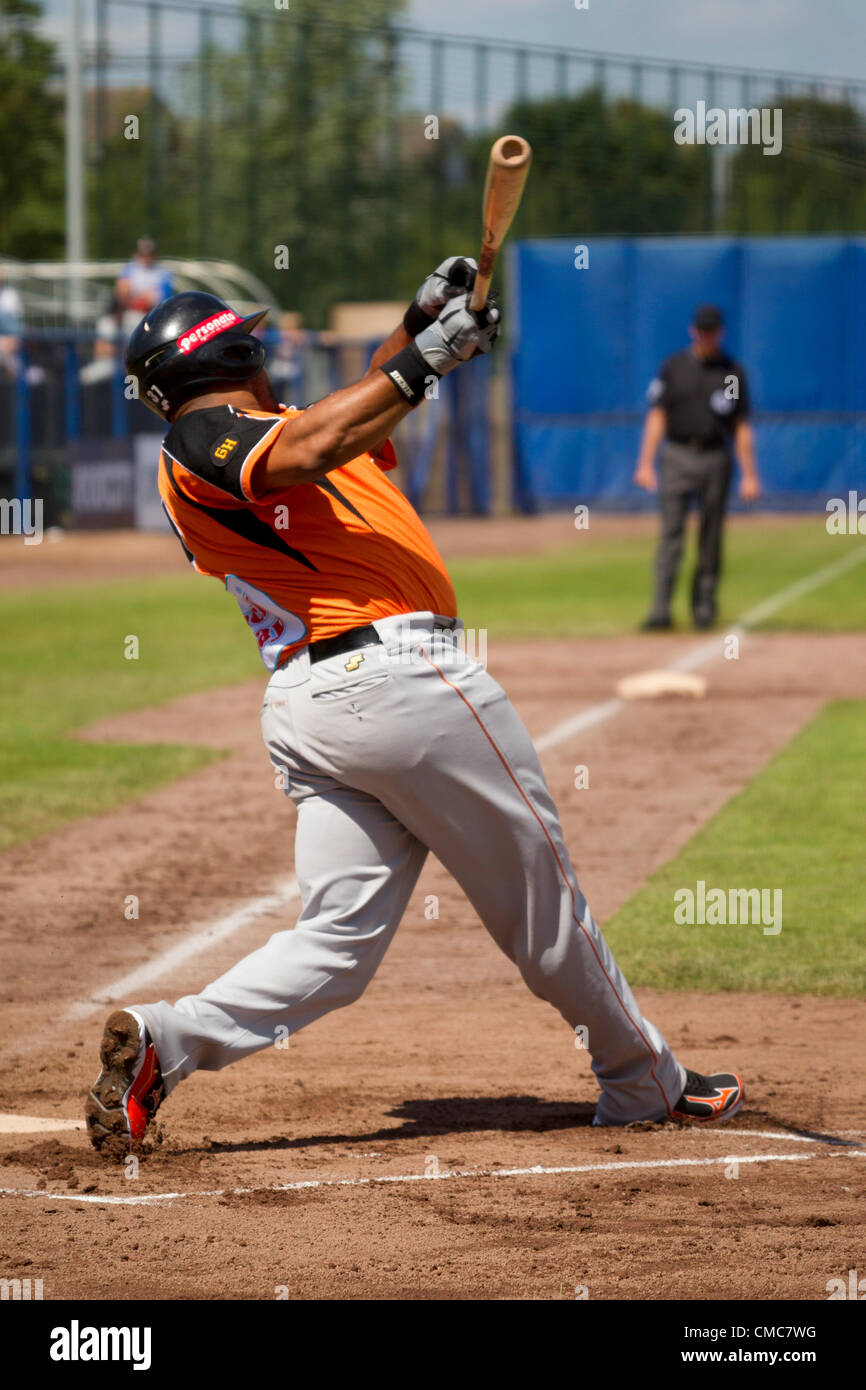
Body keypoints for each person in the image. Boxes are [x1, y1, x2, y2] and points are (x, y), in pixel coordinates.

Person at [85, 264, 745, 1157]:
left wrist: (422, 323)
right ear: (227, 353)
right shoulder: (203, 438)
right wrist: (428, 359)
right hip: (399, 684)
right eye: (253, 338)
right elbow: (315, 443)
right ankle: (644, 1082)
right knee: (541, 904)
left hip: (322, 707)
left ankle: (166, 1038)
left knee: (334, 947)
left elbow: (348, 419)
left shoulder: (276, 431)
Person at [634, 304, 760, 630]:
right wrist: (645, 463)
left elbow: (741, 426)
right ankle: (660, 610)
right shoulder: (674, 367)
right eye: (701, 331)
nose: (706, 337)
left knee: (711, 535)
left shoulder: (731, 372)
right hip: (677, 456)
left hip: (716, 457)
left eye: (712, 331)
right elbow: (657, 415)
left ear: (720, 333)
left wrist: (749, 473)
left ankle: (704, 607)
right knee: (671, 534)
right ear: (693, 331)